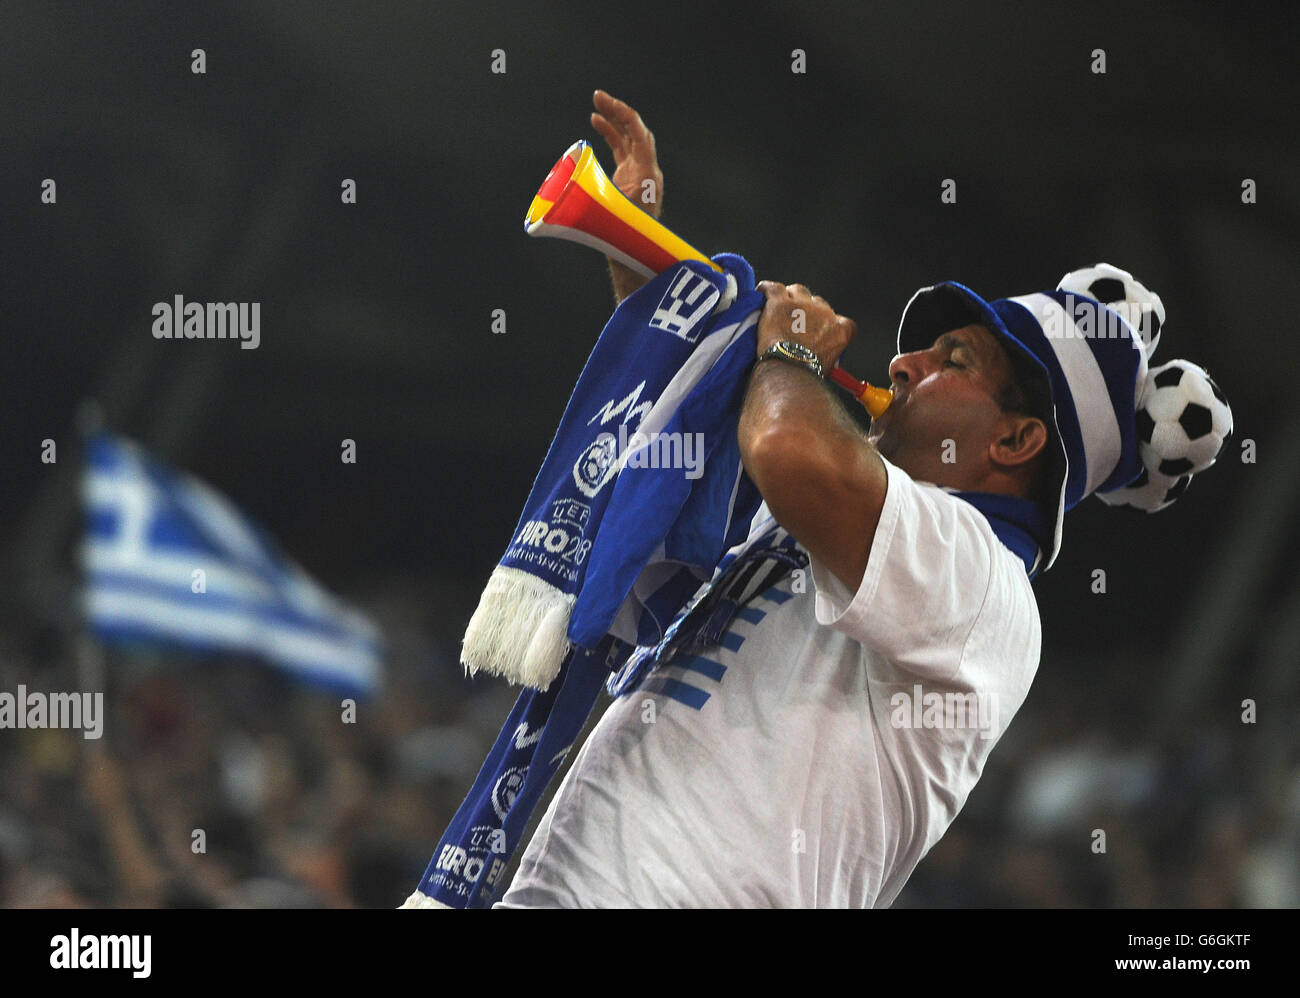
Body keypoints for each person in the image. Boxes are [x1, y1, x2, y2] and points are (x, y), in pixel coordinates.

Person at [491, 91, 1200, 908]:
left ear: (1014, 442)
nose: (904, 365)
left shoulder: (983, 587)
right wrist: (634, 251)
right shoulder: (826, 534)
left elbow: (787, 447)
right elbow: (664, 460)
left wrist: (789, 350)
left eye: (952, 362)